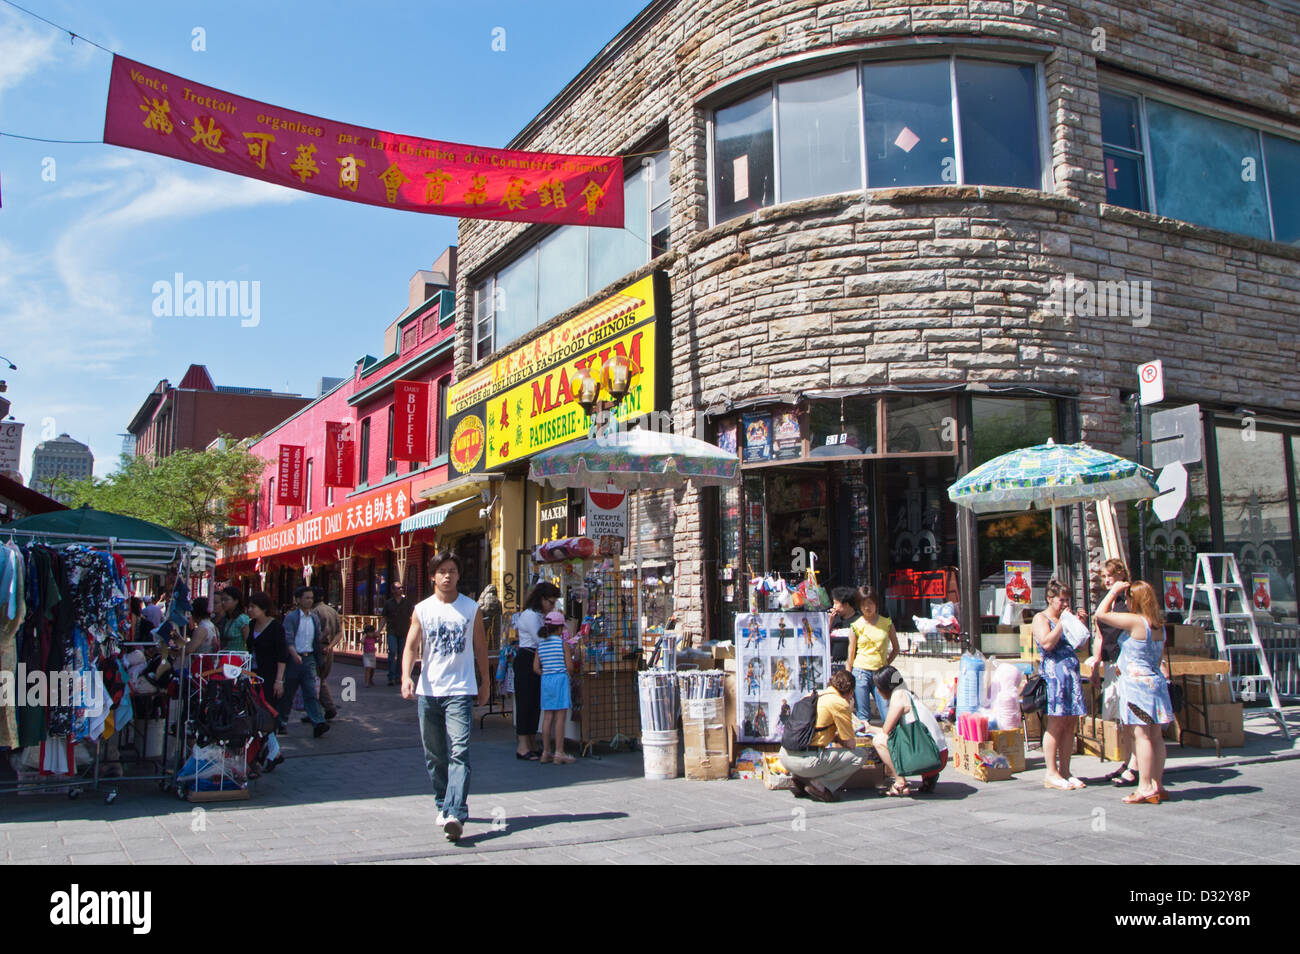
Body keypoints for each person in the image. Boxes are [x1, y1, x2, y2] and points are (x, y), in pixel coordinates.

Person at [402, 550, 489, 842]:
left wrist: (485, 683)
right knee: (435, 754)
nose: (447, 576)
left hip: (460, 691)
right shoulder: (422, 609)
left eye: (452, 570)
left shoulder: (471, 608)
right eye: (442, 571)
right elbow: (411, 646)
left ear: (458, 575)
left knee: (460, 752)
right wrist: (405, 677)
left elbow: (480, 648)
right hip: (429, 691)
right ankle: (443, 803)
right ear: (433, 577)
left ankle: (456, 812)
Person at [1095, 580, 1173, 805]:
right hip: (1155, 681)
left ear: (1135, 600)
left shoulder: (1135, 621)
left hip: (1137, 685)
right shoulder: (1158, 625)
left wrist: (1114, 591)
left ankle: (1145, 785)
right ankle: (1157, 784)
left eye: (1128, 598)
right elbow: (1158, 659)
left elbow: (1100, 614)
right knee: (1156, 735)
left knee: (1142, 736)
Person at [1085, 559, 1139, 786]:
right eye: (1104, 576)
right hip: (1110, 663)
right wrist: (1096, 664)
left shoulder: (1130, 600)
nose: (1107, 580)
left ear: (1121, 576)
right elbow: (1099, 633)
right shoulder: (1109, 602)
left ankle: (1135, 765)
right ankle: (1128, 761)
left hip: (1127, 663)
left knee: (1132, 717)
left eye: (1111, 576)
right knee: (1118, 717)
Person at [776, 669, 865, 803]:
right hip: (807, 761)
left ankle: (799, 779)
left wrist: (833, 736)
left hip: (784, 756)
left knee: (823, 752)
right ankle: (822, 786)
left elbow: (815, 729)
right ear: (851, 692)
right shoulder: (840, 703)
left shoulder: (812, 695)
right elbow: (850, 744)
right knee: (860, 755)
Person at [1033, 578, 1087, 790]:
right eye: (1061, 600)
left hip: (1071, 675)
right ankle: (1051, 772)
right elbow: (1046, 643)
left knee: (1070, 723)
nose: (1065, 604)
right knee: (1056, 724)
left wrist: (1078, 625)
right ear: (1050, 598)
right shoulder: (1042, 618)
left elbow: (1079, 646)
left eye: (1067, 600)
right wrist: (1063, 624)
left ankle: (1065, 770)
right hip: (1055, 676)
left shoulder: (1066, 618)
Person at [872, 666, 948, 796]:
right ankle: (929, 778)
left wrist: (869, 729)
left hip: (931, 757)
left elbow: (886, 731)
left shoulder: (898, 696)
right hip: (940, 754)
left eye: (877, 687)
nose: (877, 692)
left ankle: (901, 784)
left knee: (879, 740)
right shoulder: (909, 694)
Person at [513, 581, 560, 760]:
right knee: (526, 702)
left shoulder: (540, 615)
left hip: (537, 659)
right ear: (541, 599)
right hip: (527, 659)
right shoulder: (530, 616)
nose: (552, 606)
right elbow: (540, 638)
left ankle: (532, 741)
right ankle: (523, 745)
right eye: (550, 602)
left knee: (534, 703)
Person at [281, 586, 330, 738]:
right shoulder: (291, 618)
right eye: (306, 597)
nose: (309, 600)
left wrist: (319, 658)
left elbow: (315, 640)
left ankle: (318, 722)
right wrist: (294, 654)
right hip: (294, 659)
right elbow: (287, 638)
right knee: (288, 693)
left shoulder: (314, 618)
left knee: (311, 692)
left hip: (309, 659)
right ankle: (281, 722)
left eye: (311, 597)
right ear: (298, 600)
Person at [246, 593, 287, 772]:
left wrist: (279, 680)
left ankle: (273, 751)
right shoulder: (251, 624)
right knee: (256, 712)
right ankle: (272, 752)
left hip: (270, 676)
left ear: (263, 608)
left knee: (267, 712)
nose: (249, 610)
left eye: (253, 607)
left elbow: (281, 656)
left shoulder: (276, 627)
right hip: (253, 675)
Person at [849, 586, 899, 724]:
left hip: (880, 673)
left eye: (870, 603)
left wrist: (886, 664)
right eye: (863, 604)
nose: (867, 607)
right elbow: (851, 655)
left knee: (887, 711)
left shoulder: (887, 623)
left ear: (876, 603)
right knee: (863, 716)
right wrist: (848, 677)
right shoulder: (855, 626)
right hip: (860, 672)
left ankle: (890, 742)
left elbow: (896, 649)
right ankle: (865, 743)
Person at [533, 609, 574, 764]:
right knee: (560, 717)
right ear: (559, 628)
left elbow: (535, 667)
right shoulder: (562, 644)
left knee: (548, 716)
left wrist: (545, 672)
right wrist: (567, 672)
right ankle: (559, 752)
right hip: (560, 679)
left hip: (546, 680)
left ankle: (545, 752)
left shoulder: (540, 645)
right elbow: (569, 666)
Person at [313, 597, 342, 719]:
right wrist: (330, 646)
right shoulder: (333, 611)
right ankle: (321, 709)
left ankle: (326, 708)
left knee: (316, 679)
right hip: (328, 649)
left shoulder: (314, 612)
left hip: (318, 648)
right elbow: (340, 633)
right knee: (320, 679)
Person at [382, 581, 415, 687]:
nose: (400, 589)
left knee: (402, 654)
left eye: (401, 588)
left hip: (404, 631)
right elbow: (384, 618)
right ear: (393, 590)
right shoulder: (388, 603)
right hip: (392, 631)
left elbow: (413, 617)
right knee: (392, 652)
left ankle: (399, 676)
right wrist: (378, 630)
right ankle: (390, 677)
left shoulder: (407, 603)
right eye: (398, 588)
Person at [828, 586, 860, 668]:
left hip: (852, 665)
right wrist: (829, 622)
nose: (834, 607)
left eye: (836, 603)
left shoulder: (859, 620)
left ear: (846, 605)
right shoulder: (834, 619)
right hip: (834, 664)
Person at [217, 586, 250, 651]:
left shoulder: (242, 619)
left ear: (236, 601)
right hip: (227, 658)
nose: (223, 603)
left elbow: (248, 642)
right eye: (222, 600)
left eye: (226, 600)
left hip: (239, 658)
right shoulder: (228, 619)